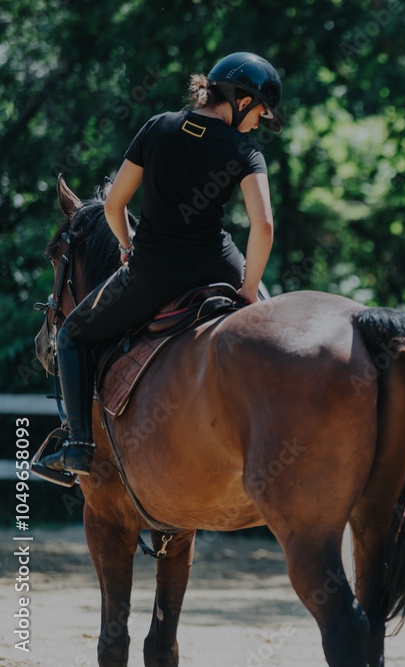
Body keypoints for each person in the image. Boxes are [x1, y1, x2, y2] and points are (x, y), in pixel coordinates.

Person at [37, 52, 281, 478]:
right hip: (220, 266)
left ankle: (77, 446)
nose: (259, 122)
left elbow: (115, 205)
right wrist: (248, 288)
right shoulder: (244, 148)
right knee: (275, 324)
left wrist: (127, 246)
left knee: (73, 334)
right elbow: (263, 226)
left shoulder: (158, 127)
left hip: (152, 272)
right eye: (260, 112)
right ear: (242, 100)